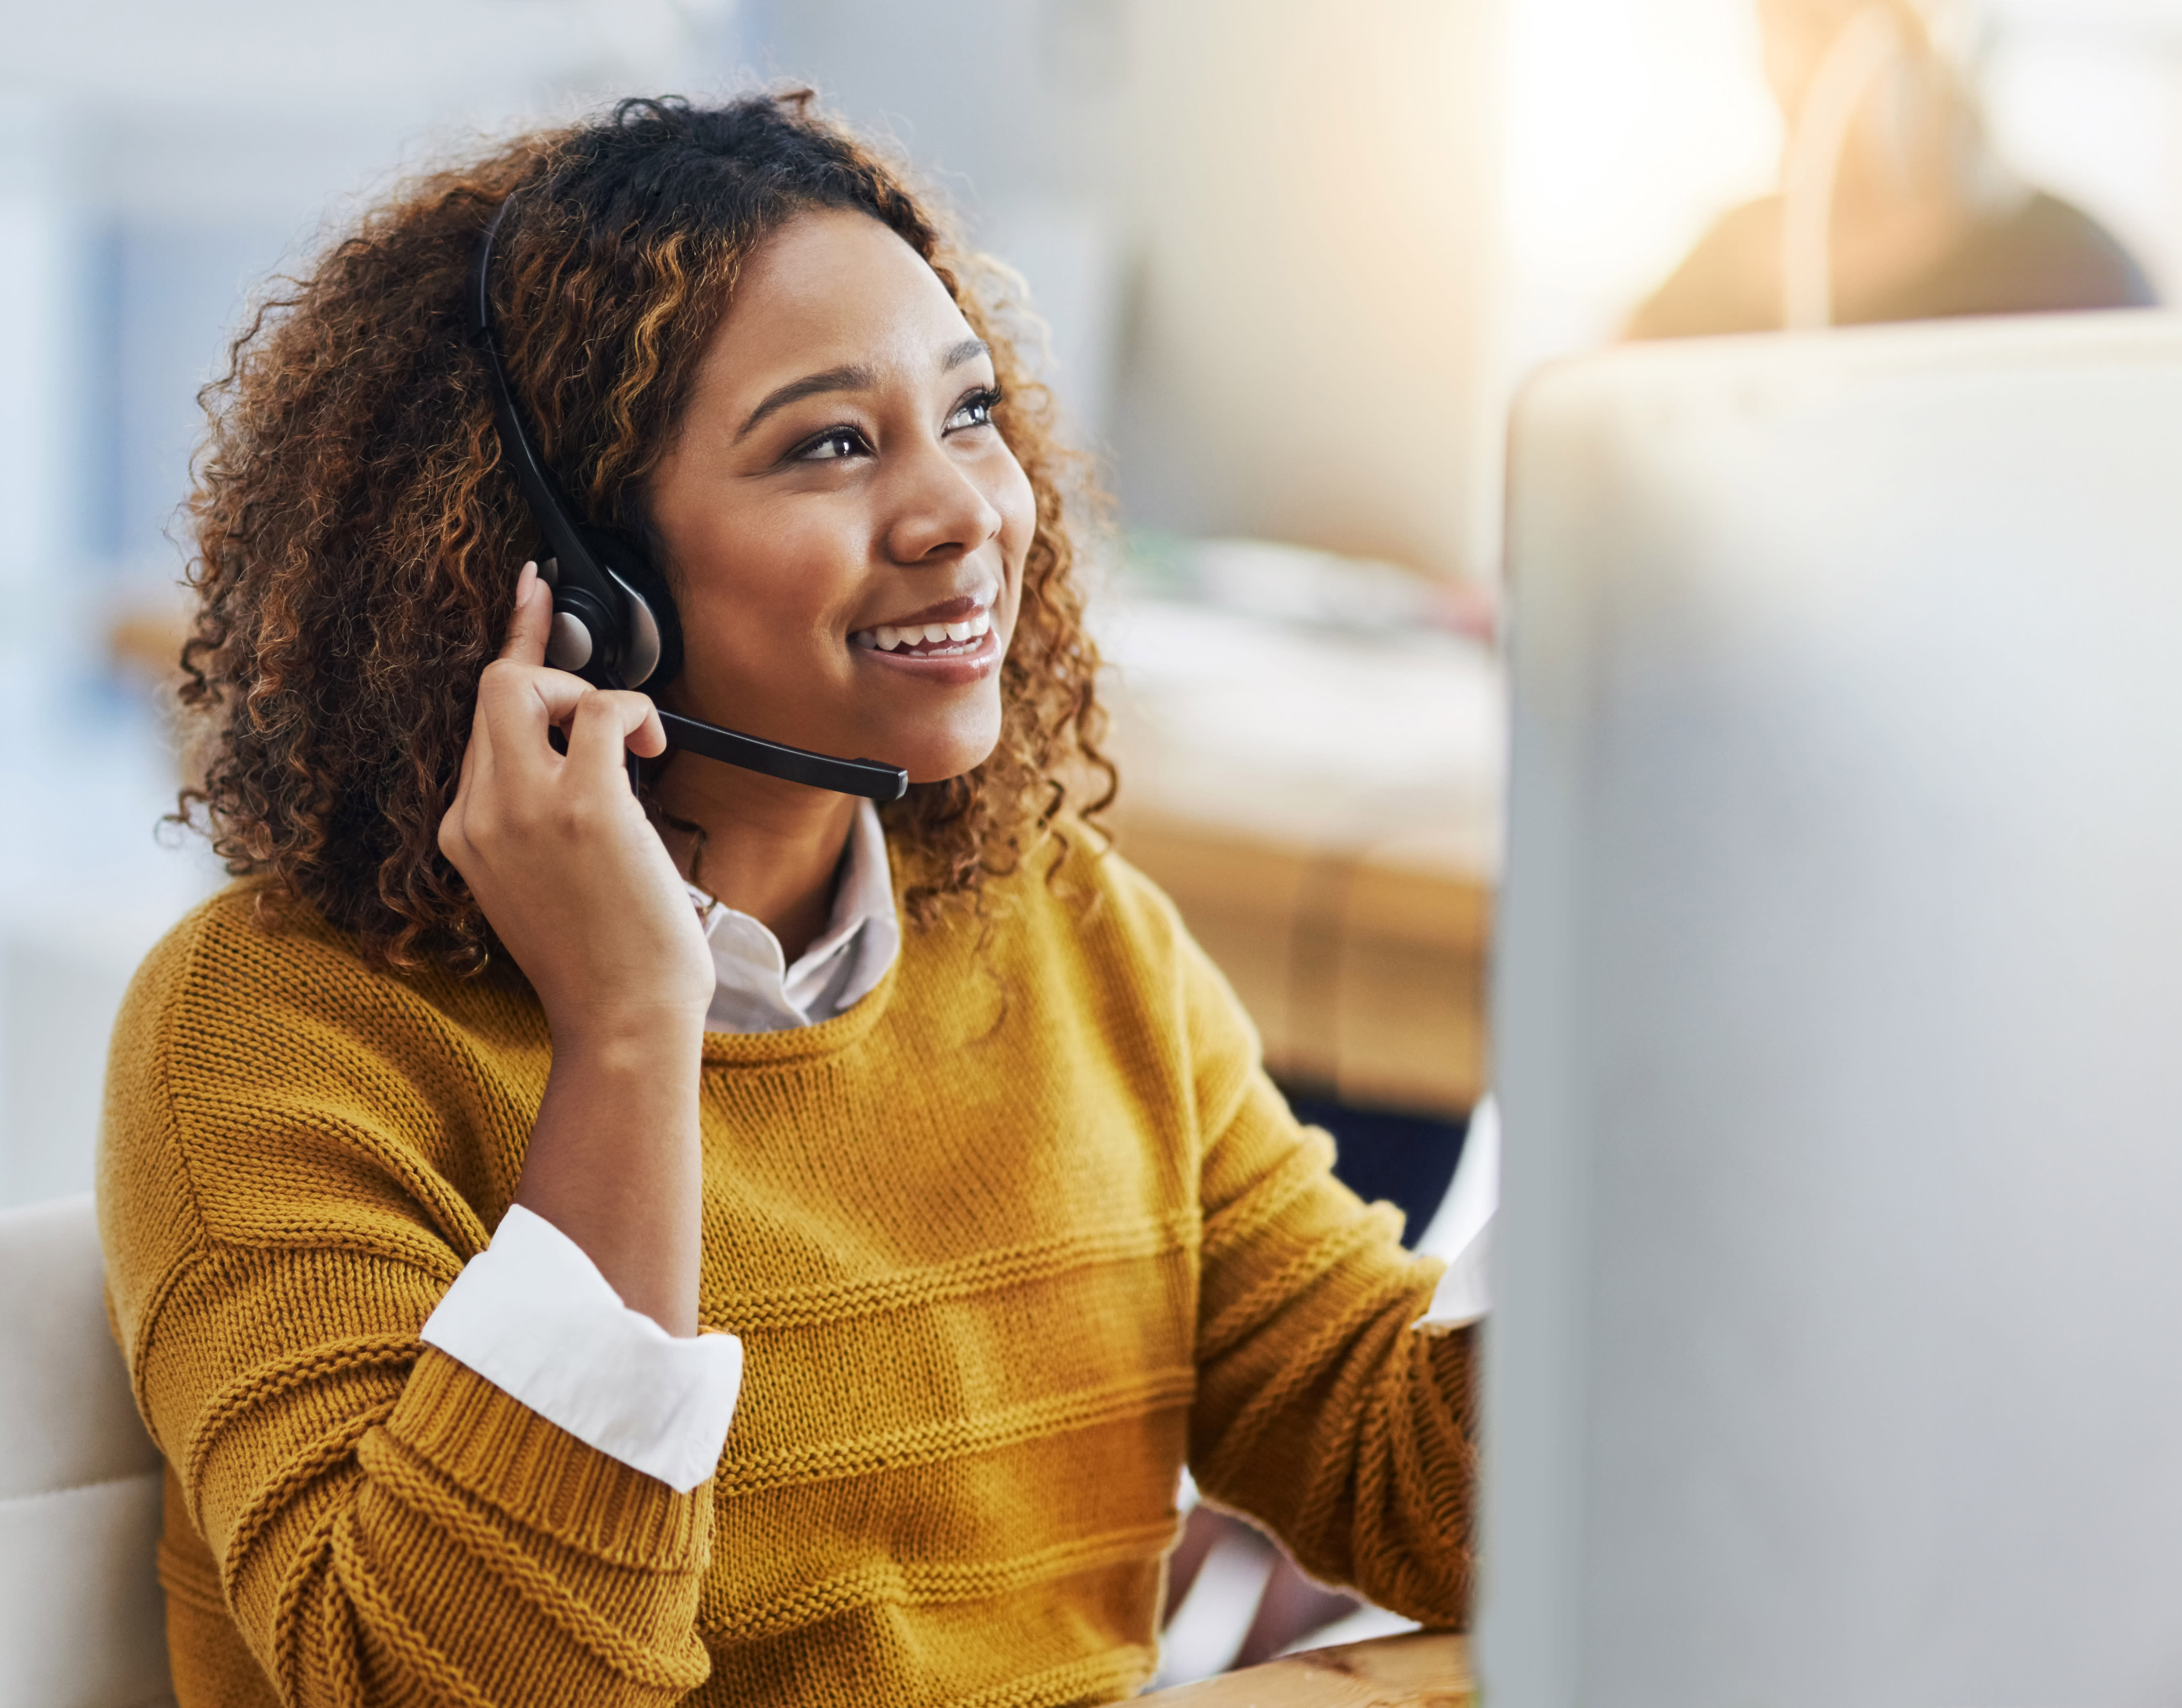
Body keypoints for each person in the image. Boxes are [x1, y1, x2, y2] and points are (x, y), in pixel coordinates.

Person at [98, 92, 1476, 1707]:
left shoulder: (1061, 927)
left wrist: (1692, 1107)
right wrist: (626, 1036)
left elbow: (1410, 1475)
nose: (965, 510)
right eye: (830, 443)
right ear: (573, 582)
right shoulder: (272, 1031)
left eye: (970, 415)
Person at [1630, 0, 2154, 339]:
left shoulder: (2077, 272)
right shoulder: (1721, 260)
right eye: (1776, 29)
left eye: (1821, 27)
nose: (1791, 71)